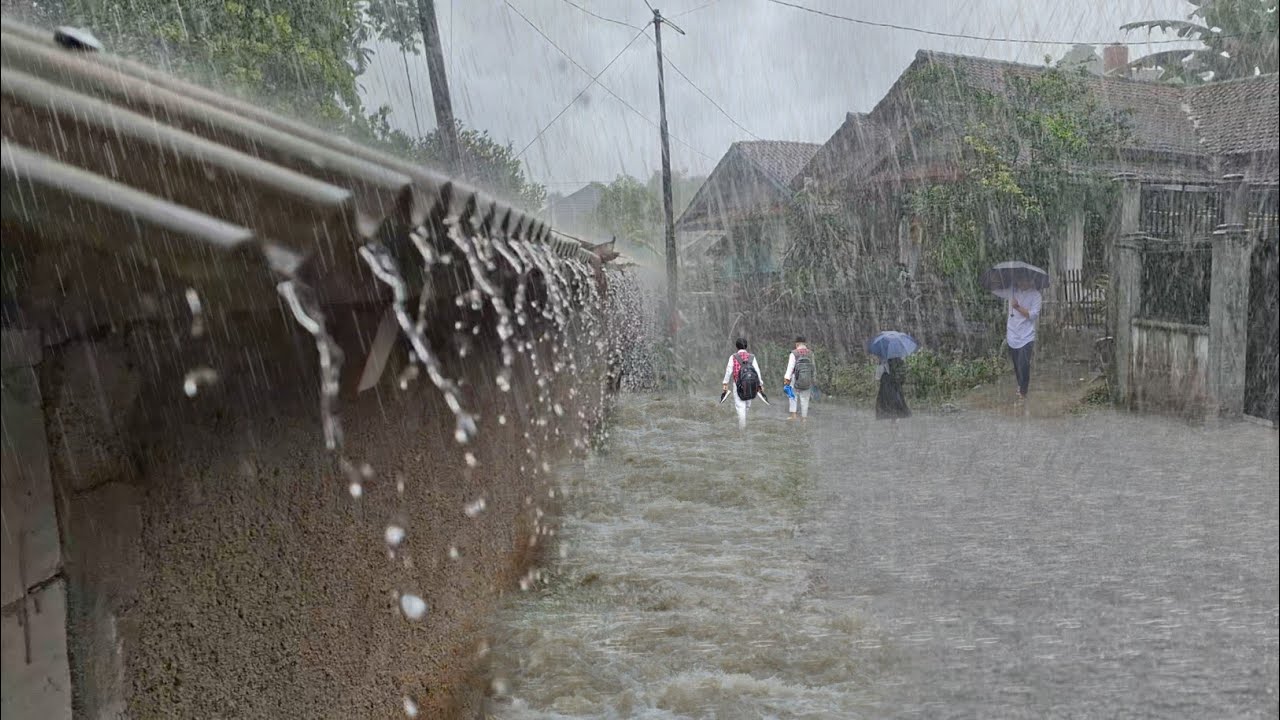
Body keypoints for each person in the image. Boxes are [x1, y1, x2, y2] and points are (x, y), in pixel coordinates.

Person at [994, 278, 1042, 400]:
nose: (1021, 283)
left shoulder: (1035, 295)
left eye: (1024, 280)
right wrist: (998, 280)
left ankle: (1023, 391)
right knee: (1016, 365)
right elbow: (996, 291)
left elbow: (1033, 315)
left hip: (1026, 336)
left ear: (1030, 280)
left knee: (1024, 364)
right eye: (1019, 280)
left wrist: (1017, 307)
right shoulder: (1012, 291)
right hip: (1012, 334)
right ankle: (1020, 385)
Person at [721, 338, 762, 430]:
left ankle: (742, 429)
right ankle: (743, 423)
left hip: (738, 385)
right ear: (746, 346)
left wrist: (725, 383)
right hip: (751, 385)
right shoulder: (752, 357)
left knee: (740, 406)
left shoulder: (733, 357)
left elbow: (729, 370)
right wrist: (760, 384)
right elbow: (757, 371)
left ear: (737, 347)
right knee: (747, 404)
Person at [783, 336, 816, 421]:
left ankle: (793, 415)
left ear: (797, 344)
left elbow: (790, 367)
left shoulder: (794, 353)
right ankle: (804, 417)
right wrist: (813, 378)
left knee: (792, 396)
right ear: (805, 344)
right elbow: (813, 367)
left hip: (795, 377)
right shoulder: (810, 353)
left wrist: (787, 378)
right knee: (805, 398)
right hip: (807, 378)